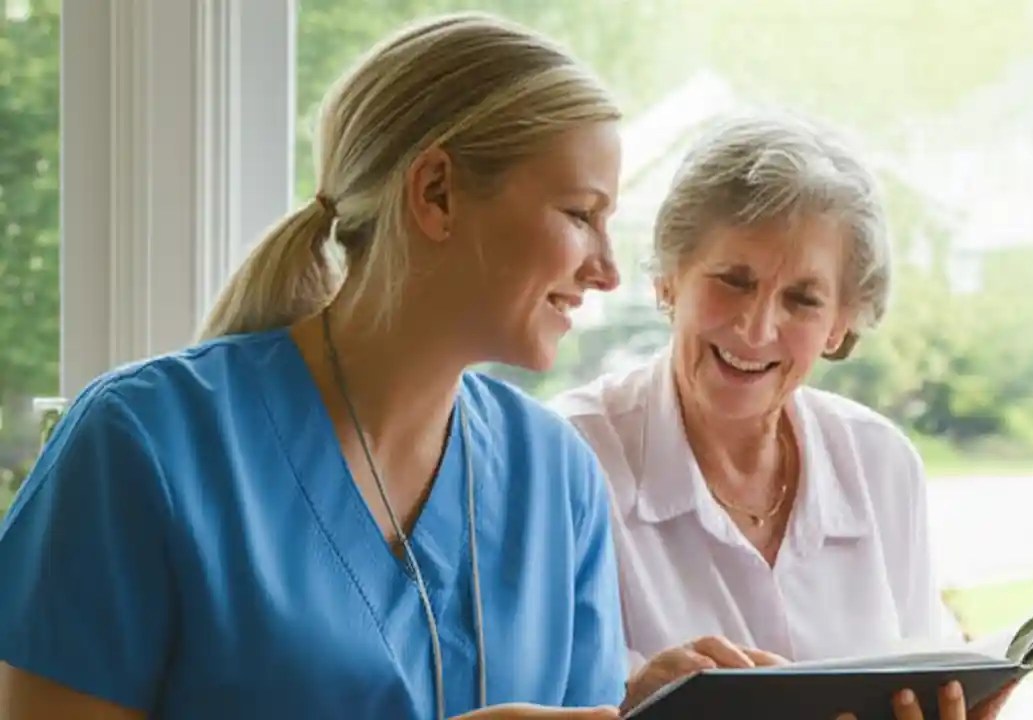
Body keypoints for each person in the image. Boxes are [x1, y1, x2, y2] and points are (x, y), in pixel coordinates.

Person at [0, 13, 630, 720]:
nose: (607, 271)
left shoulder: (557, 479)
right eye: (580, 214)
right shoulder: (139, 442)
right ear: (436, 193)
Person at [552, 115, 1014, 719]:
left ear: (841, 322)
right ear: (669, 280)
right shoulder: (567, 456)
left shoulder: (881, 461)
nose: (757, 328)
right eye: (733, 281)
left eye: (803, 299)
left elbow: (925, 670)